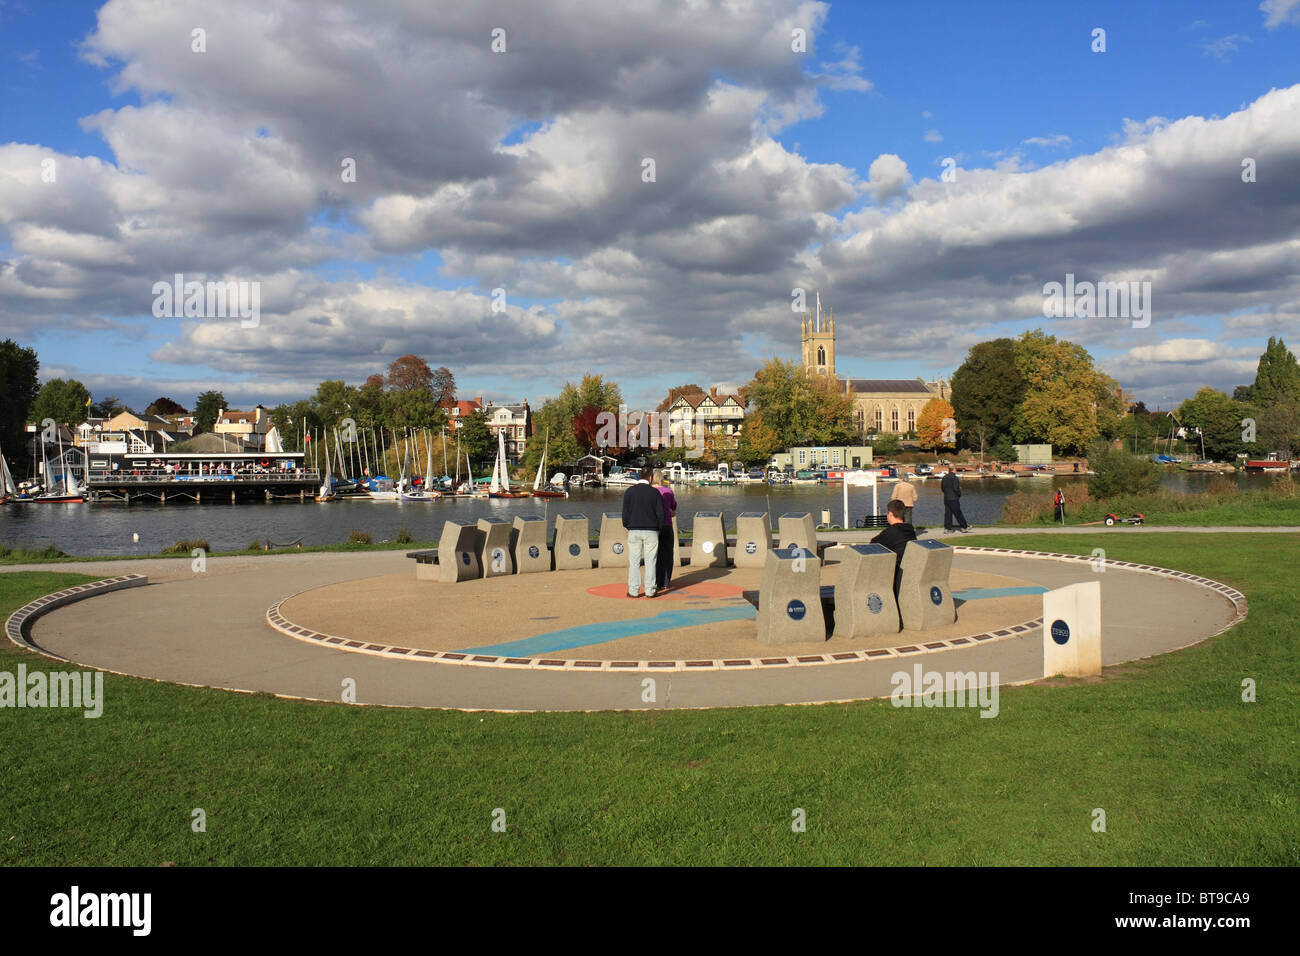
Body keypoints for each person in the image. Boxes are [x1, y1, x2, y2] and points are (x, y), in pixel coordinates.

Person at [621, 470, 665, 598]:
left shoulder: (630, 491)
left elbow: (625, 512)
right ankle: (650, 590)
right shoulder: (655, 493)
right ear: (650, 478)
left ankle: (633, 590)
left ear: (638, 476)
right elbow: (661, 514)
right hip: (651, 530)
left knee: (634, 561)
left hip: (634, 529)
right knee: (651, 561)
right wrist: (659, 528)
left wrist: (627, 524)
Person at [871, 499, 918, 596]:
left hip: (895, 575)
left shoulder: (889, 533)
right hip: (910, 571)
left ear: (890, 514)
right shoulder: (910, 530)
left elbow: (871, 546)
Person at [653, 469, 678, 592]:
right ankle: (666, 581)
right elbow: (673, 508)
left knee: (654, 553)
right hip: (667, 525)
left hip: (654, 526)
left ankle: (656, 580)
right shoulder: (668, 491)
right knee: (667, 553)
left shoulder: (650, 491)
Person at [940, 466, 970, 534]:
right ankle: (964, 527)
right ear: (954, 470)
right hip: (953, 498)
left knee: (948, 513)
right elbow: (956, 488)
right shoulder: (954, 478)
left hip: (946, 498)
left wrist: (946, 493)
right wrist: (959, 493)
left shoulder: (944, 477)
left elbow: (942, 487)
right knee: (958, 513)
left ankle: (947, 529)